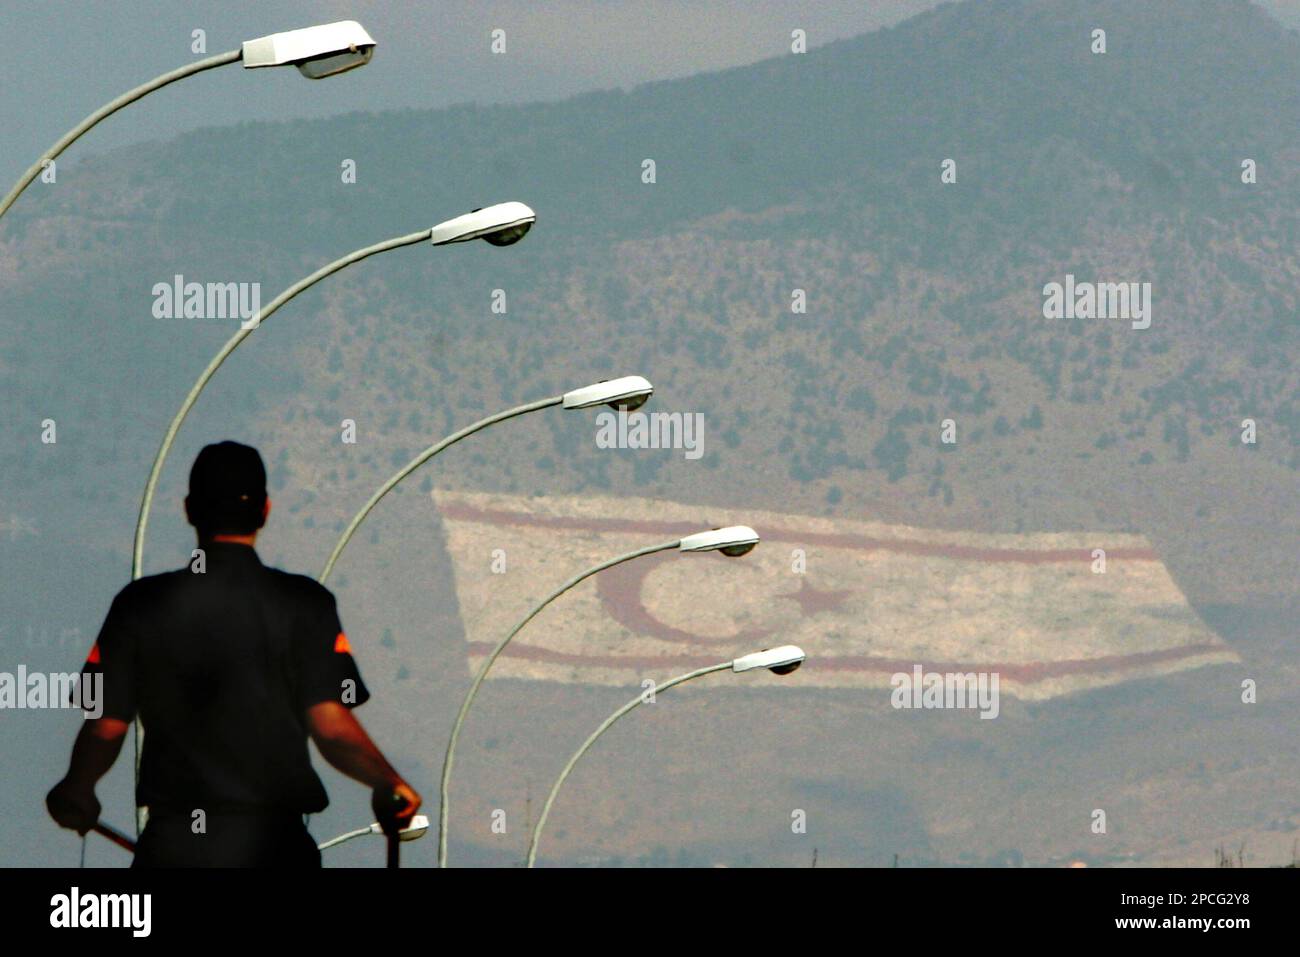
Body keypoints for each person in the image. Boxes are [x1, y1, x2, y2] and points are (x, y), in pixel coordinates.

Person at [46, 441, 420, 866]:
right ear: (264, 510)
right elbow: (330, 724)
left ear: (189, 510)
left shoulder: (139, 604)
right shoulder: (305, 604)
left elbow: (106, 726)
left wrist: (77, 787)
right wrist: (387, 782)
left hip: (176, 844)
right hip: (275, 848)